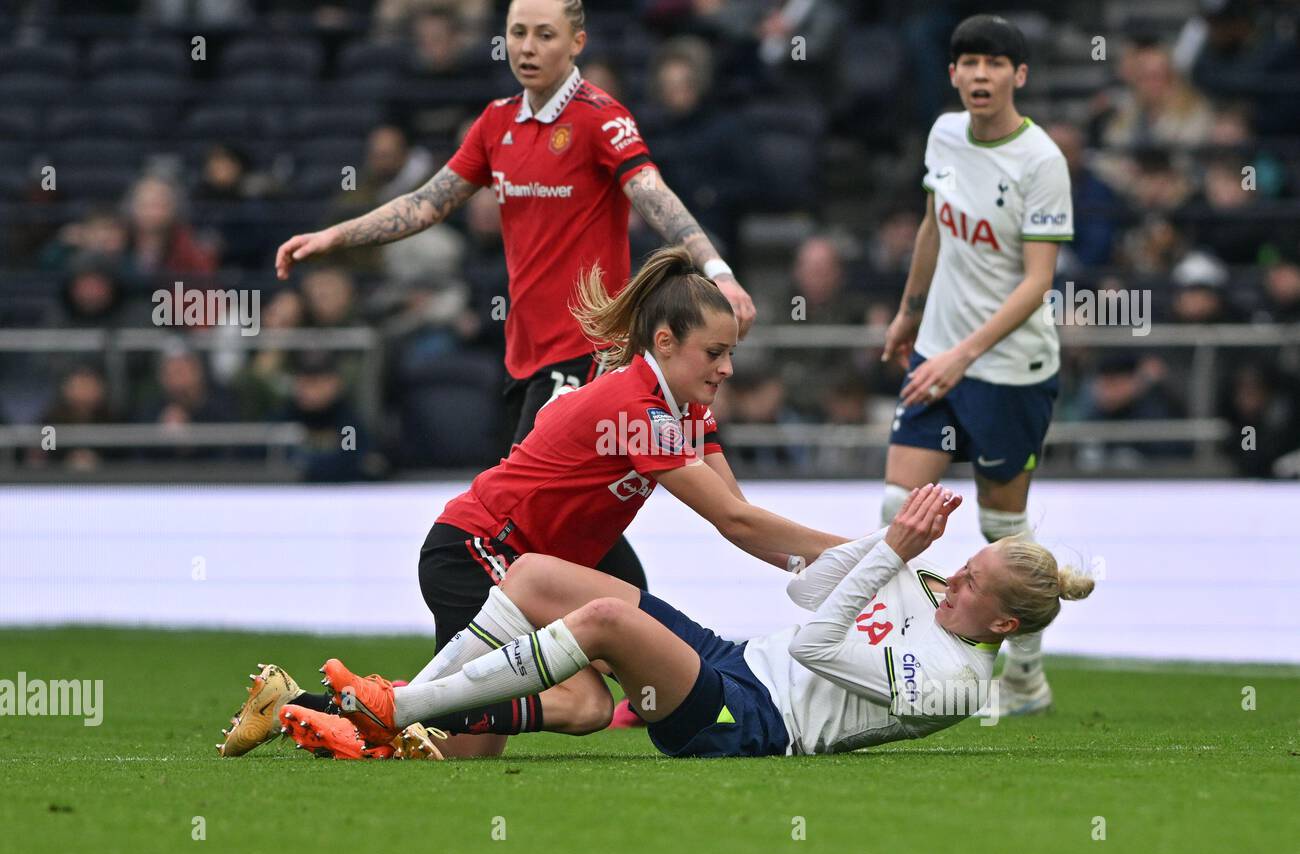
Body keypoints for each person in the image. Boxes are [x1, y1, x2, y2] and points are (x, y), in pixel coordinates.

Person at [220, 247, 839, 759]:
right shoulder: (637, 408)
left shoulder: (684, 407)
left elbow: (738, 514)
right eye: (716, 353)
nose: (728, 368)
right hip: (481, 550)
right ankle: (345, 714)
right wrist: (873, 554)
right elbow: (733, 518)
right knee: (578, 705)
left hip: (519, 563)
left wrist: (805, 563)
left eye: (731, 353)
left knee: (479, 746)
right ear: (666, 341)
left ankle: (309, 709)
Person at [273, 0, 756, 596]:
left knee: (529, 520)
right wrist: (336, 235)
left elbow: (652, 194)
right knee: (564, 523)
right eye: (517, 33)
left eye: (544, 34)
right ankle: (641, 654)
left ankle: (483, 671)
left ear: (576, 41)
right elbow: (430, 201)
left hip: (584, 357)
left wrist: (718, 270)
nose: (527, 47)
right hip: (522, 360)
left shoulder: (600, 119)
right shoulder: (496, 122)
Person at [279, 484, 1094, 760]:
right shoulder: (931, 586)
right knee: (535, 575)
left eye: (972, 584)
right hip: (733, 658)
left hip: (749, 722)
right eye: (964, 567)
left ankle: (398, 708)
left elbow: (817, 644)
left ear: (1005, 624)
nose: (953, 582)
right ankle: (399, 710)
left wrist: (889, 551)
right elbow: (805, 597)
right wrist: (886, 553)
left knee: (601, 618)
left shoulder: (957, 686)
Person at [879, 15, 1073, 716]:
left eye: (996, 63)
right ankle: (921, 656)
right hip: (938, 354)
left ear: (1019, 76)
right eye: (969, 62)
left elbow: (1036, 283)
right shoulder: (944, 134)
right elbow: (934, 225)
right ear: (953, 73)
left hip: (1010, 369)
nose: (981, 75)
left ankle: (1023, 669)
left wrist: (965, 355)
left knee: (1001, 529)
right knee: (895, 510)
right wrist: (909, 312)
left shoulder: (1041, 161)